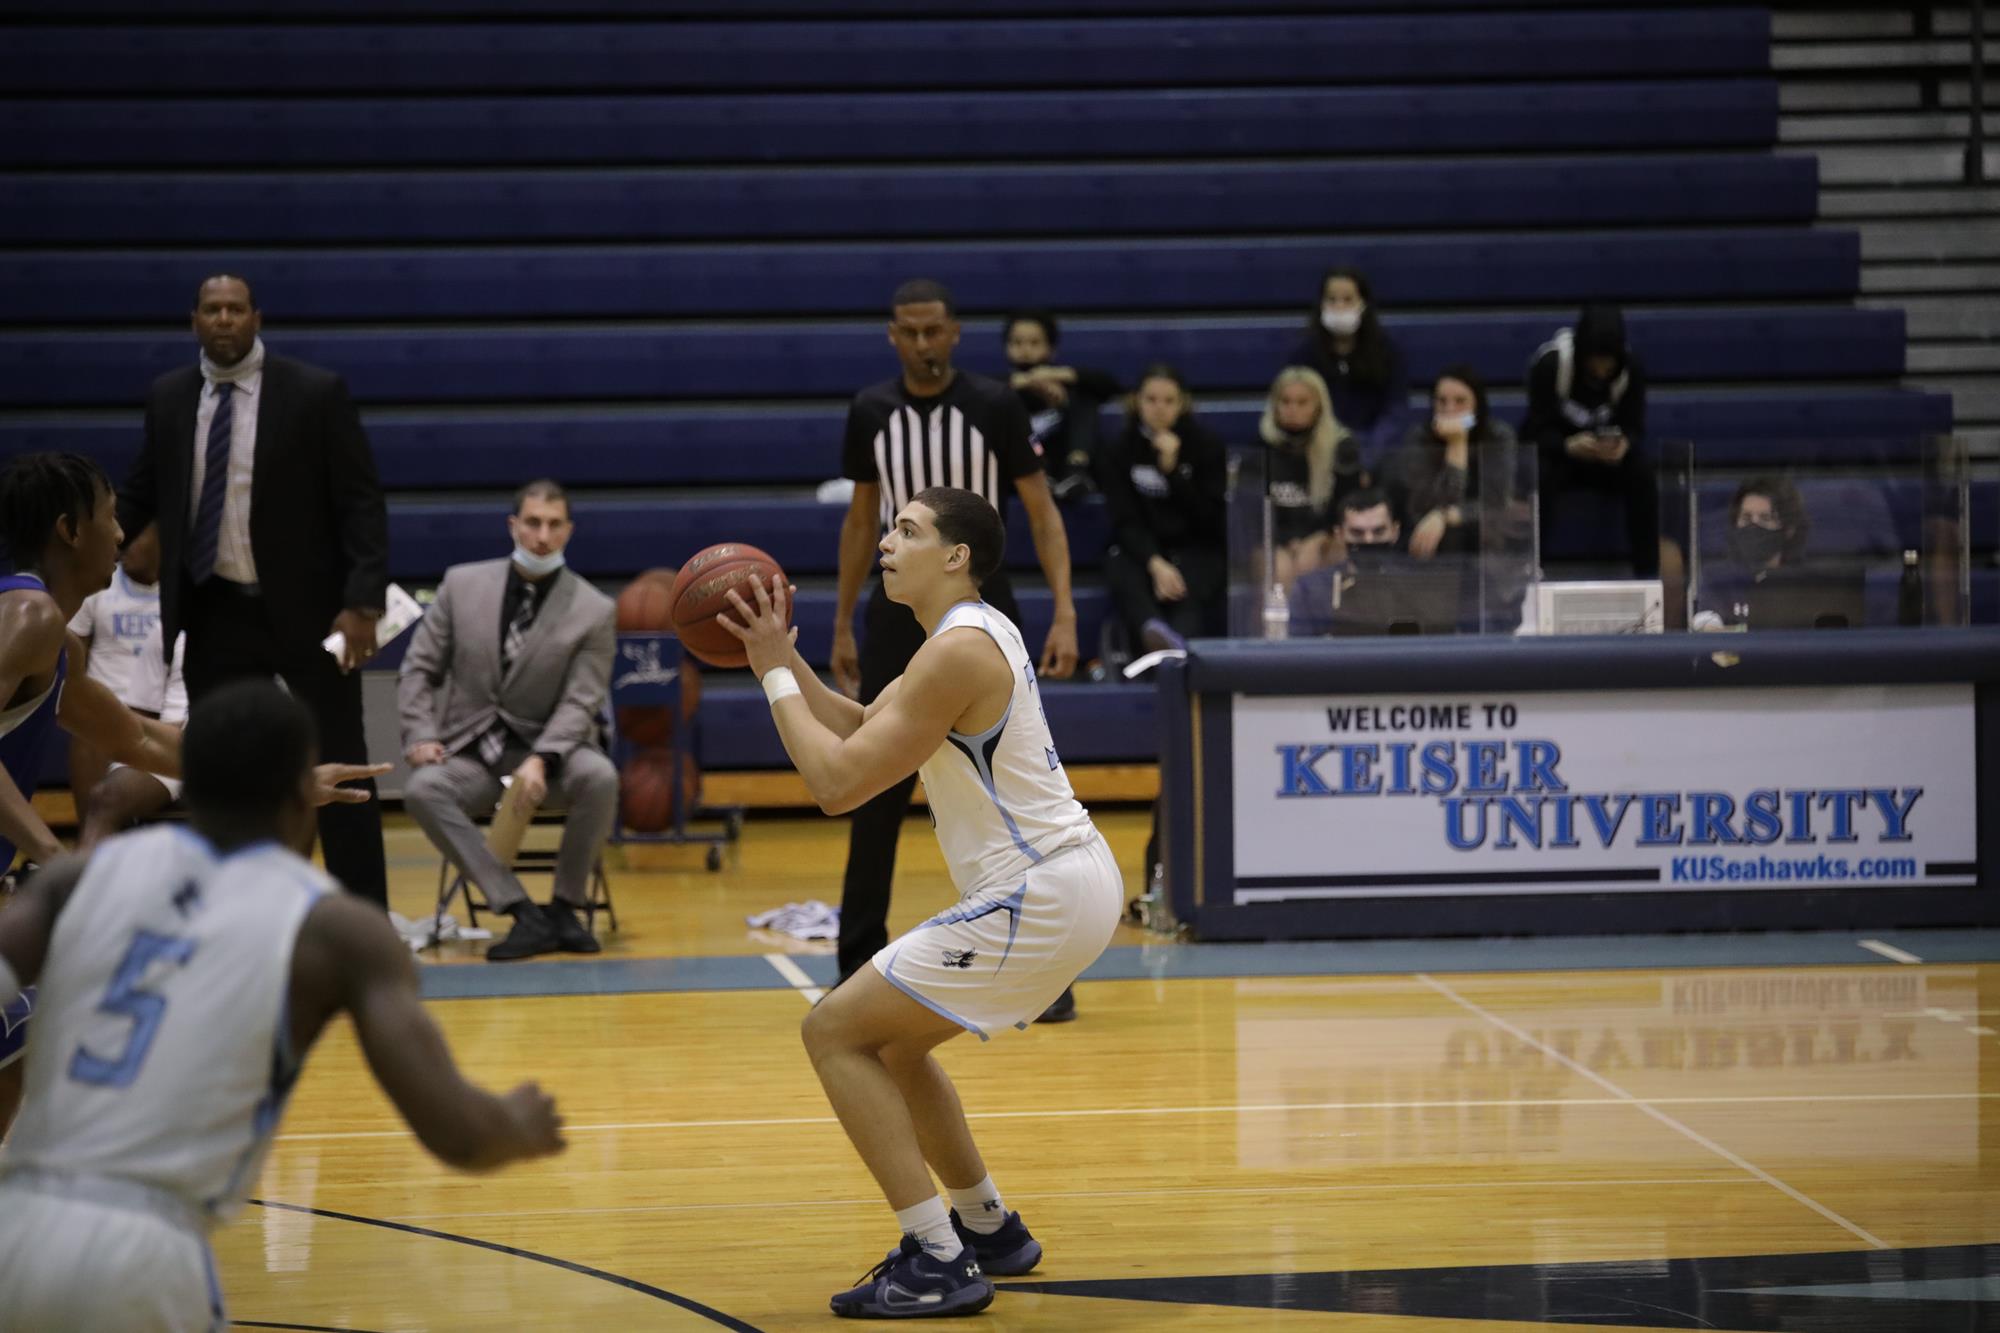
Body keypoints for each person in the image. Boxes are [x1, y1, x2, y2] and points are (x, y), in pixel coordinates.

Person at [0, 680, 565, 1330]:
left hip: (16, 1219)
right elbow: (460, 1134)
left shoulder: (80, 877)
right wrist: (519, 1123)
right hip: (143, 1251)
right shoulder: (334, 928)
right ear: (305, 796)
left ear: (189, 780)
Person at [719, 486, 1122, 1320]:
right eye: (890, 527)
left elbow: (836, 784)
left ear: (956, 557)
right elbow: (864, 722)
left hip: (1037, 890)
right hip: (1061, 882)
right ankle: (987, 1226)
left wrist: (767, 677)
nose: (888, 543)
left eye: (908, 530)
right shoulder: (963, 634)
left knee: (831, 1030)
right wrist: (786, 657)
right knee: (894, 1049)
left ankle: (938, 1256)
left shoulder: (956, 652)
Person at [0, 451, 384, 1140]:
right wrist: (50, 852)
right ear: (67, 529)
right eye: (111, 517)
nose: (121, 535)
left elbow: (140, 741)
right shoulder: (26, 614)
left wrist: (291, 780)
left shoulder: (55, 640)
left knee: (22, 1052)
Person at [829, 279, 1082, 1022]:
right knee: (876, 785)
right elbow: (858, 523)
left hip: (978, 604)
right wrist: (842, 618)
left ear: (955, 332)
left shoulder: (997, 405)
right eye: (908, 332)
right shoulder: (871, 410)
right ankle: (855, 964)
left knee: (1008, 781)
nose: (921, 343)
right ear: (892, 337)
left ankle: (1046, 969)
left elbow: (1042, 510)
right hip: (896, 606)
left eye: (933, 330)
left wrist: (1065, 610)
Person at [118, 273, 393, 908]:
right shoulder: (168, 398)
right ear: (194, 321)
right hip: (215, 611)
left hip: (312, 610)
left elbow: (361, 504)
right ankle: (231, 905)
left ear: (256, 317)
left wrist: (362, 602)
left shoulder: (314, 393)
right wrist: (88, 553)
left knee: (343, 758)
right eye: (212, 309)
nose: (223, 319)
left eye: (235, 309)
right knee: (218, 763)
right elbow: (140, 493)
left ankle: (365, 917)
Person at [398, 480, 618, 961]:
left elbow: (582, 700)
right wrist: (420, 734)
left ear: (569, 531)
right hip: (474, 752)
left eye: (554, 524)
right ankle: (519, 909)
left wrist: (541, 759)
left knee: (600, 776)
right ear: (513, 525)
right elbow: (418, 669)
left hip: (554, 755)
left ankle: (565, 907)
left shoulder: (595, 610)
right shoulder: (461, 585)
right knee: (422, 790)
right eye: (533, 522)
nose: (542, 535)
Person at [1094, 364, 1228, 654]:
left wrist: (1174, 472)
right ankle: (1152, 630)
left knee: (1191, 587)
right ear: (1136, 402)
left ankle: (1175, 650)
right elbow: (1124, 517)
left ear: (1182, 404)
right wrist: (1156, 563)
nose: (1159, 409)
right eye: (1151, 400)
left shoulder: (1206, 446)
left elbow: (1210, 518)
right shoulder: (1118, 449)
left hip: (1196, 548)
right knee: (1120, 564)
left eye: (1168, 401)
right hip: (1143, 550)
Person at [1520, 303, 1661, 577]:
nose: (1602, 368)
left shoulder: (1631, 370)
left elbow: (1635, 427)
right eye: (1596, 359)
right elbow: (1532, 431)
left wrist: (1623, 445)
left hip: (1604, 461)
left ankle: (1646, 573)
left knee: (1642, 473)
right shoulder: (1551, 365)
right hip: (1562, 457)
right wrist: (1566, 446)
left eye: (1608, 361)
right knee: (1541, 472)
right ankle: (1531, 569)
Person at [64, 522, 185, 831]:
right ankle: (88, 838)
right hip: (110, 707)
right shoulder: (97, 588)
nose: (123, 543)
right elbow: (72, 668)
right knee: (90, 728)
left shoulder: (181, 603)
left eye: (134, 536)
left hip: (162, 720)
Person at [1380, 365, 1522, 564]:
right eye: (1441, 401)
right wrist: (1457, 445)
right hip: (1428, 533)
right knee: (1445, 535)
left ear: (1477, 406)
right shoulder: (1419, 437)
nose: (1449, 409)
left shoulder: (1498, 437)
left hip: (1486, 534)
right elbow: (1422, 505)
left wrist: (1445, 515)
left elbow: (1496, 503)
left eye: (1460, 401)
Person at [1283, 267, 1409, 476]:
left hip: (1376, 459)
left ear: (1363, 304)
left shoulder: (1388, 352)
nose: (1339, 307)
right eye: (1332, 299)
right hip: (1314, 459)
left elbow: (1395, 410)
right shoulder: (1304, 353)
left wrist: (1368, 452)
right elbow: (1294, 406)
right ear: (1321, 305)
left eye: (1348, 299)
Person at [1002, 309, 1121, 501]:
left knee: (1085, 396)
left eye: (1034, 343)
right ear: (1006, 347)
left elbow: (1111, 386)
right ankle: (1040, 477)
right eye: (1017, 342)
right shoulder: (997, 389)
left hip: (1061, 467)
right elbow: (972, 388)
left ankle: (1076, 471)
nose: (1025, 349)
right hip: (1018, 474)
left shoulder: (1066, 387)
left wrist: (1060, 377)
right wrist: (1026, 381)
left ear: (1051, 348)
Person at [1259, 365, 1358, 586]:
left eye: (1302, 402)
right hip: (1273, 543)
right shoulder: (1261, 449)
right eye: (1285, 401)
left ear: (1319, 407)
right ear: (1274, 406)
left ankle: (1337, 619)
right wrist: (1286, 542)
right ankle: (1275, 622)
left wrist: (1319, 538)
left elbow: (1347, 507)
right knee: (1280, 569)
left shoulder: (1342, 449)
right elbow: (1253, 514)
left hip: (1324, 537)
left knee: (1337, 552)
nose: (1293, 409)